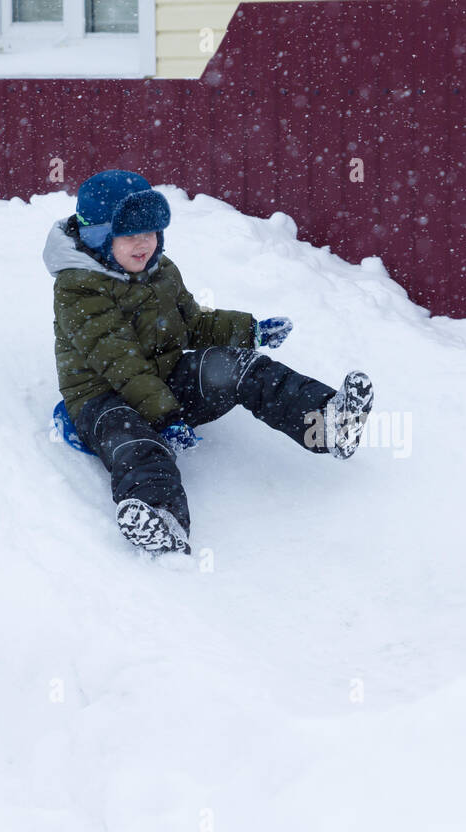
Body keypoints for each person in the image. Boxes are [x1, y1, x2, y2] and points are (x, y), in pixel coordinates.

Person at [43, 170, 374, 555]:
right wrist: (165, 416)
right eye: (130, 234)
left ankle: (327, 423)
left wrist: (250, 332)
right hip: (104, 399)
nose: (143, 244)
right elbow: (121, 363)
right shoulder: (78, 288)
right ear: (99, 236)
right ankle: (160, 519)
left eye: (150, 233)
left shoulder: (160, 271)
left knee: (236, 366)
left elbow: (192, 323)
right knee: (138, 445)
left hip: (161, 382)